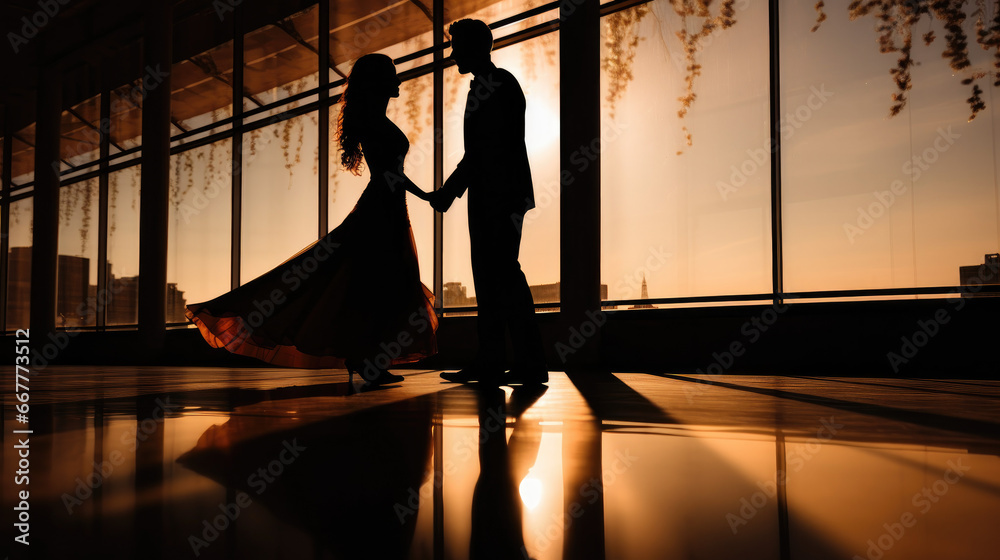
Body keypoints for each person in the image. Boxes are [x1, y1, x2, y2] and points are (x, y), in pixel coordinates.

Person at [186, 53, 438, 386]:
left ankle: (367, 358)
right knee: (378, 281)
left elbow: (391, 175)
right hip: (383, 210)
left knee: (368, 282)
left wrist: (424, 196)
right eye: (392, 74)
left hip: (386, 207)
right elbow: (389, 175)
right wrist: (428, 196)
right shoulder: (373, 121)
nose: (399, 80)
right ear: (377, 81)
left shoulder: (373, 118)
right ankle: (366, 359)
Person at [429, 19, 547, 386]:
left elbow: (483, 150)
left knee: (499, 275)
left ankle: (507, 361)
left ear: (476, 47)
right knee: (499, 276)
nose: (452, 55)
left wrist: (449, 190)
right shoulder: (492, 84)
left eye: (456, 47)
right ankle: (510, 361)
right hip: (497, 193)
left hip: (497, 194)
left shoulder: (494, 85)